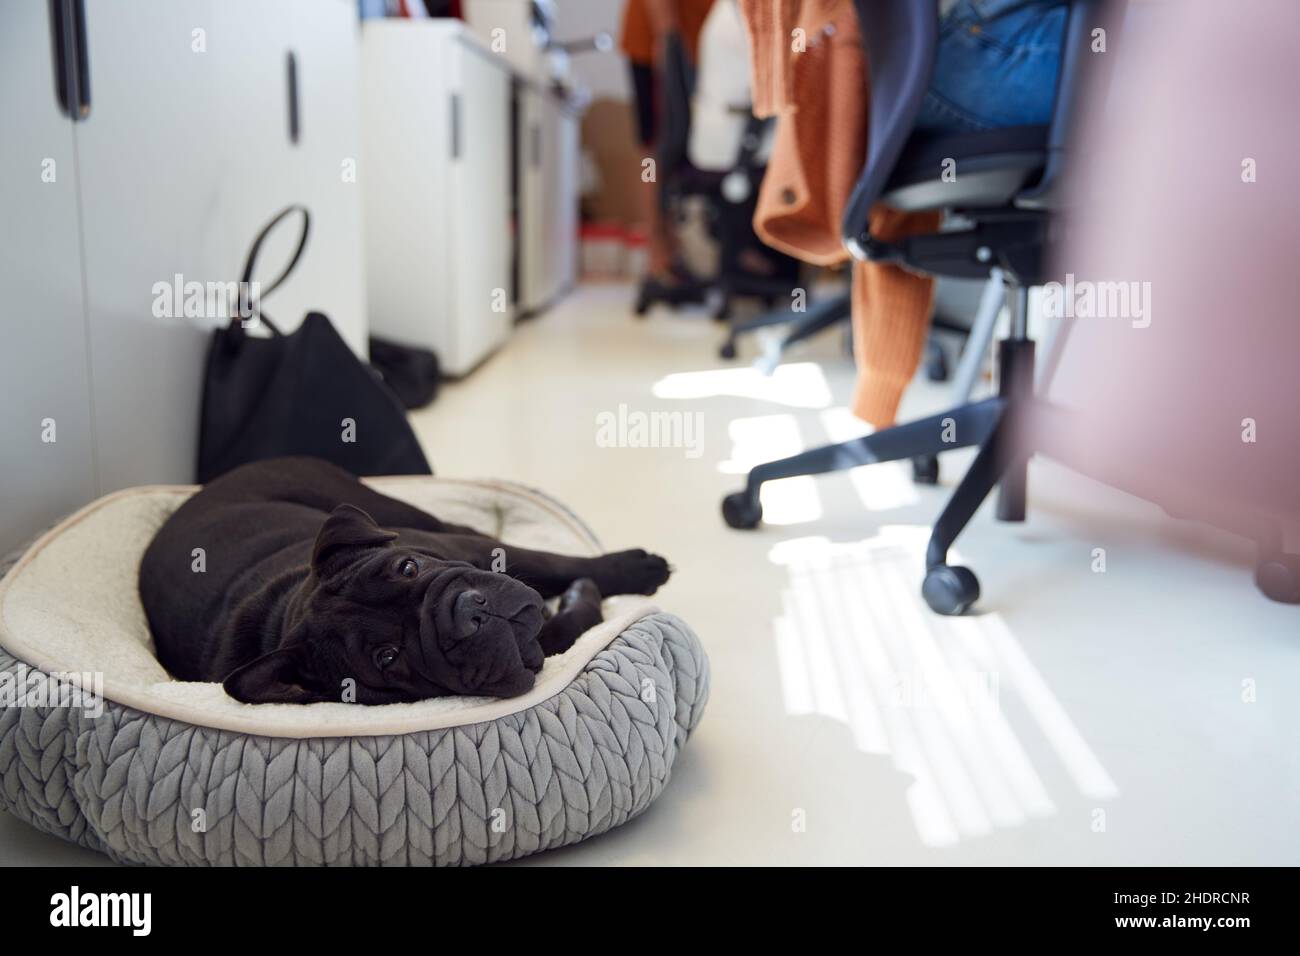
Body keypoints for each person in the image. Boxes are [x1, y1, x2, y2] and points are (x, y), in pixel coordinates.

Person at [619, 0, 717, 292]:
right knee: (654, 152)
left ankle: (677, 256)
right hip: (656, 42)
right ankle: (658, 256)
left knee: (681, 152)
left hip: (696, 42)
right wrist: (667, 37)